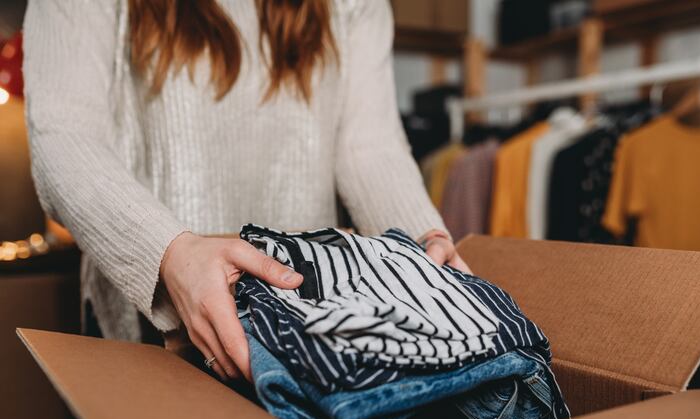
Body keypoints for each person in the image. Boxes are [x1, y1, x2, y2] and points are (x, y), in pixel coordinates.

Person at [24, 0, 468, 383]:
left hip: (305, 326)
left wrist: (421, 244)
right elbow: (63, 133)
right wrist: (171, 256)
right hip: (142, 335)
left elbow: (367, 148)